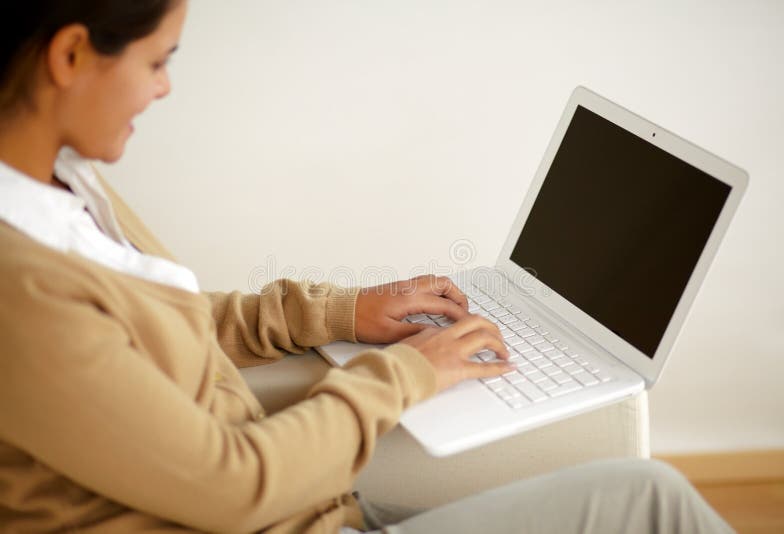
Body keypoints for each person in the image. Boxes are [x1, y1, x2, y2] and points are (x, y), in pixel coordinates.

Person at [0, 2, 733, 533]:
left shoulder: (59, 183)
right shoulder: (19, 292)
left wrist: (340, 313)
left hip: (319, 507)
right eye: (158, 61)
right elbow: (235, 484)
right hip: (275, 511)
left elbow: (161, 329)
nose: (163, 88)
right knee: (652, 500)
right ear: (69, 55)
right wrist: (410, 372)